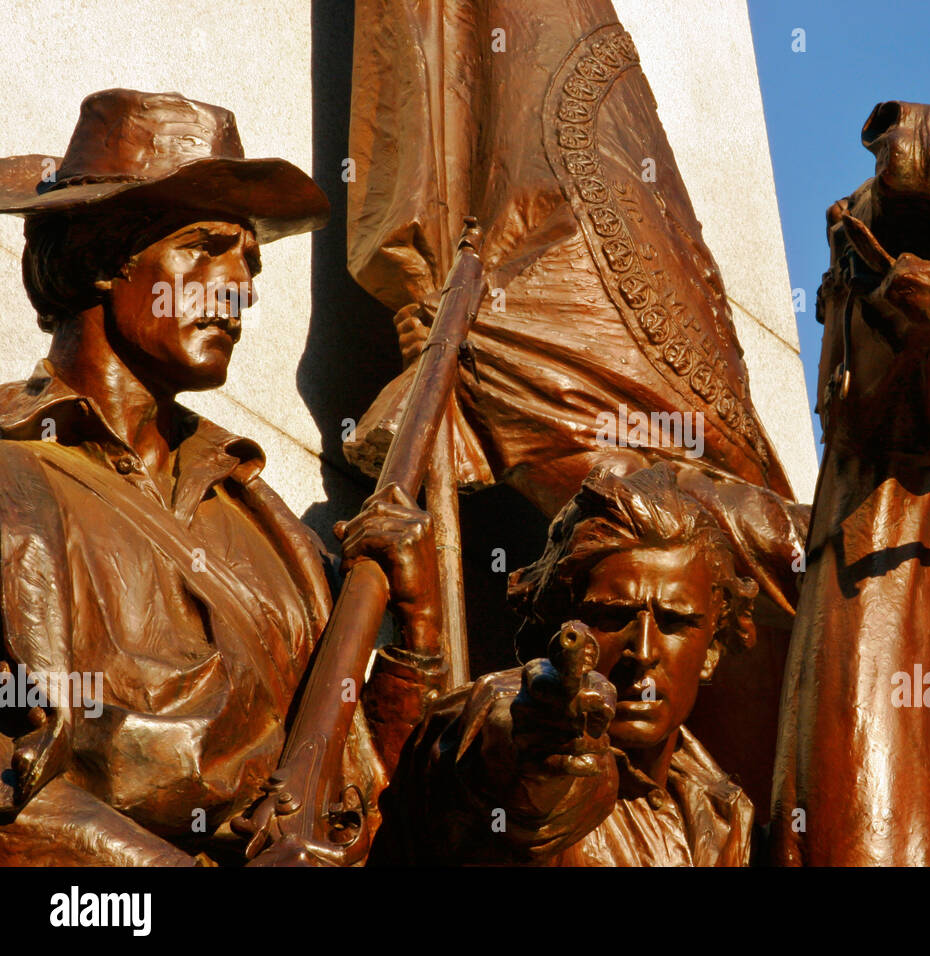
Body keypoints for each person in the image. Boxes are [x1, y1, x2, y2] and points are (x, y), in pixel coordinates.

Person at [0, 89, 437, 865]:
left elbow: (368, 799)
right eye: (205, 246)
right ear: (103, 256)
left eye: (250, 262)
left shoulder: (271, 528)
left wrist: (417, 640)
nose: (239, 287)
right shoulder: (11, 479)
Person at [372, 463, 758, 865]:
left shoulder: (727, 816)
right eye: (612, 616)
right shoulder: (499, 720)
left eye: (674, 621)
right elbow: (503, 756)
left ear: (711, 650)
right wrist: (541, 745)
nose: (642, 652)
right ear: (557, 627)